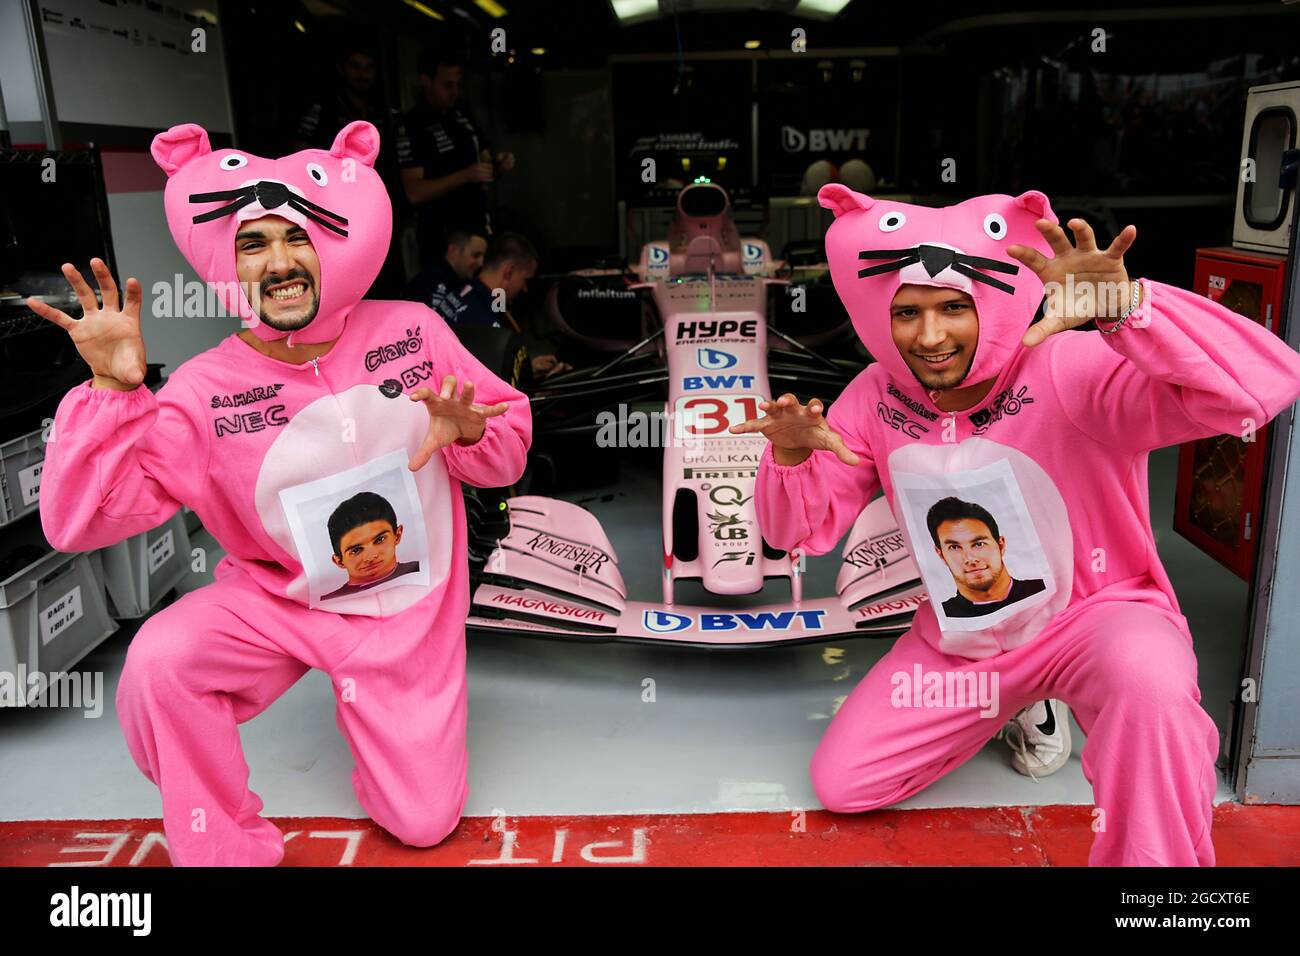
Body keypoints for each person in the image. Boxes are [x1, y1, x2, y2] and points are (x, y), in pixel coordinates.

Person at [734, 184, 1300, 865]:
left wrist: (1133, 311)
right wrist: (791, 456)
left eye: (953, 307)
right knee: (845, 783)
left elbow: (1266, 381)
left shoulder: (1072, 368)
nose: (931, 335)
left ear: (996, 303)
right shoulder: (875, 397)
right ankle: (1017, 705)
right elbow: (795, 534)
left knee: (1149, 682)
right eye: (907, 311)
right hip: (963, 646)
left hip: (1095, 623)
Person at [27, 121, 531, 866]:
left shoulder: (416, 332)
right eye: (253, 244)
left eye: (297, 237)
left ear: (334, 243)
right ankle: (220, 847)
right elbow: (81, 522)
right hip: (281, 603)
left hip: (403, 615)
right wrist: (109, 391)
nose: (280, 260)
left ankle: (384, 731)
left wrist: (467, 437)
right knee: (162, 661)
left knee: (423, 823)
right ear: (227, 265)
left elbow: (508, 456)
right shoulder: (202, 390)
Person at [394, 47, 516, 269]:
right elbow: (414, 192)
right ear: (426, 81)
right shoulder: (411, 124)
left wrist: (498, 165)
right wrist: (465, 176)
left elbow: (484, 161)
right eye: (447, 85)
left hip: (479, 228)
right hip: (440, 237)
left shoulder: (462, 112)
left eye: (457, 84)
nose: (454, 91)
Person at [926, 497, 1046, 618]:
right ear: (941, 555)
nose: (970, 559)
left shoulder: (1043, 590)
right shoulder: (939, 617)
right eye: (954, 547)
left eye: (979, 544)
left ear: (1001, 545)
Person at [322, 491, 422, 600]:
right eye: (356, 550)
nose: (370, 557)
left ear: (397, 535)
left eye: (380, 540)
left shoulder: (422, 569)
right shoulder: (331, 602)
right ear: (339, 561)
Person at [403, 227, 487, 313]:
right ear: (453, 251)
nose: (481, 263)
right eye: (475, 255)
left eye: (483, 257)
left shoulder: (466, 284)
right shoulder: (429, 283)